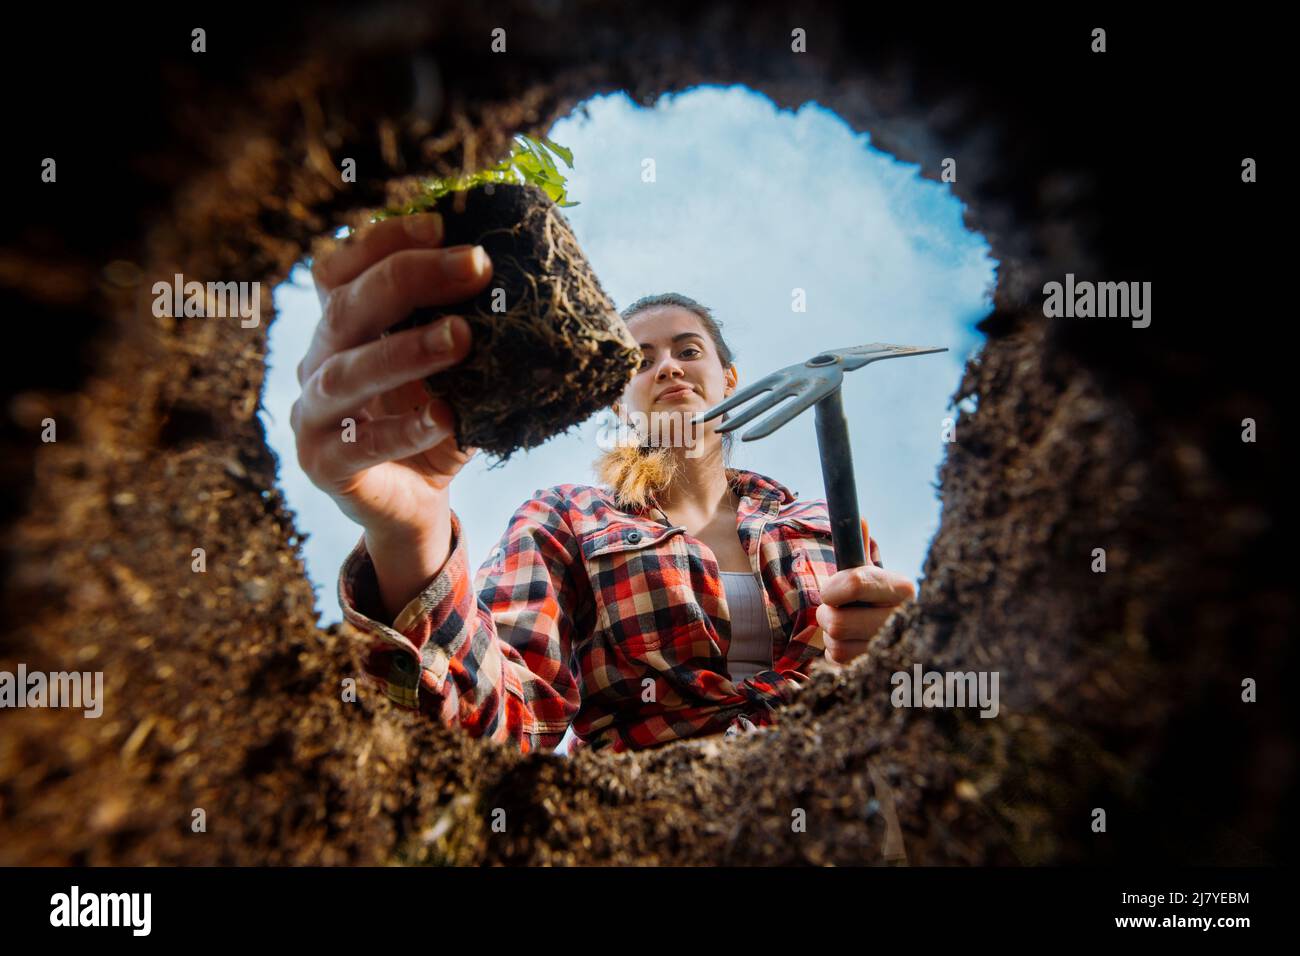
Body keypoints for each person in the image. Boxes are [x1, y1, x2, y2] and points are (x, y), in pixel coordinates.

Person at [292, 211, 917, 755]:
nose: (667, 365)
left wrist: (895, 660)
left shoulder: (824, 528)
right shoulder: (567, 519)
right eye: (640, 361)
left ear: (730, 377)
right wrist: (412, 534)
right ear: (620, 403)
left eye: (688, 349)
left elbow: (896, 703)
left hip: (839, 810)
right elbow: (508, 720)